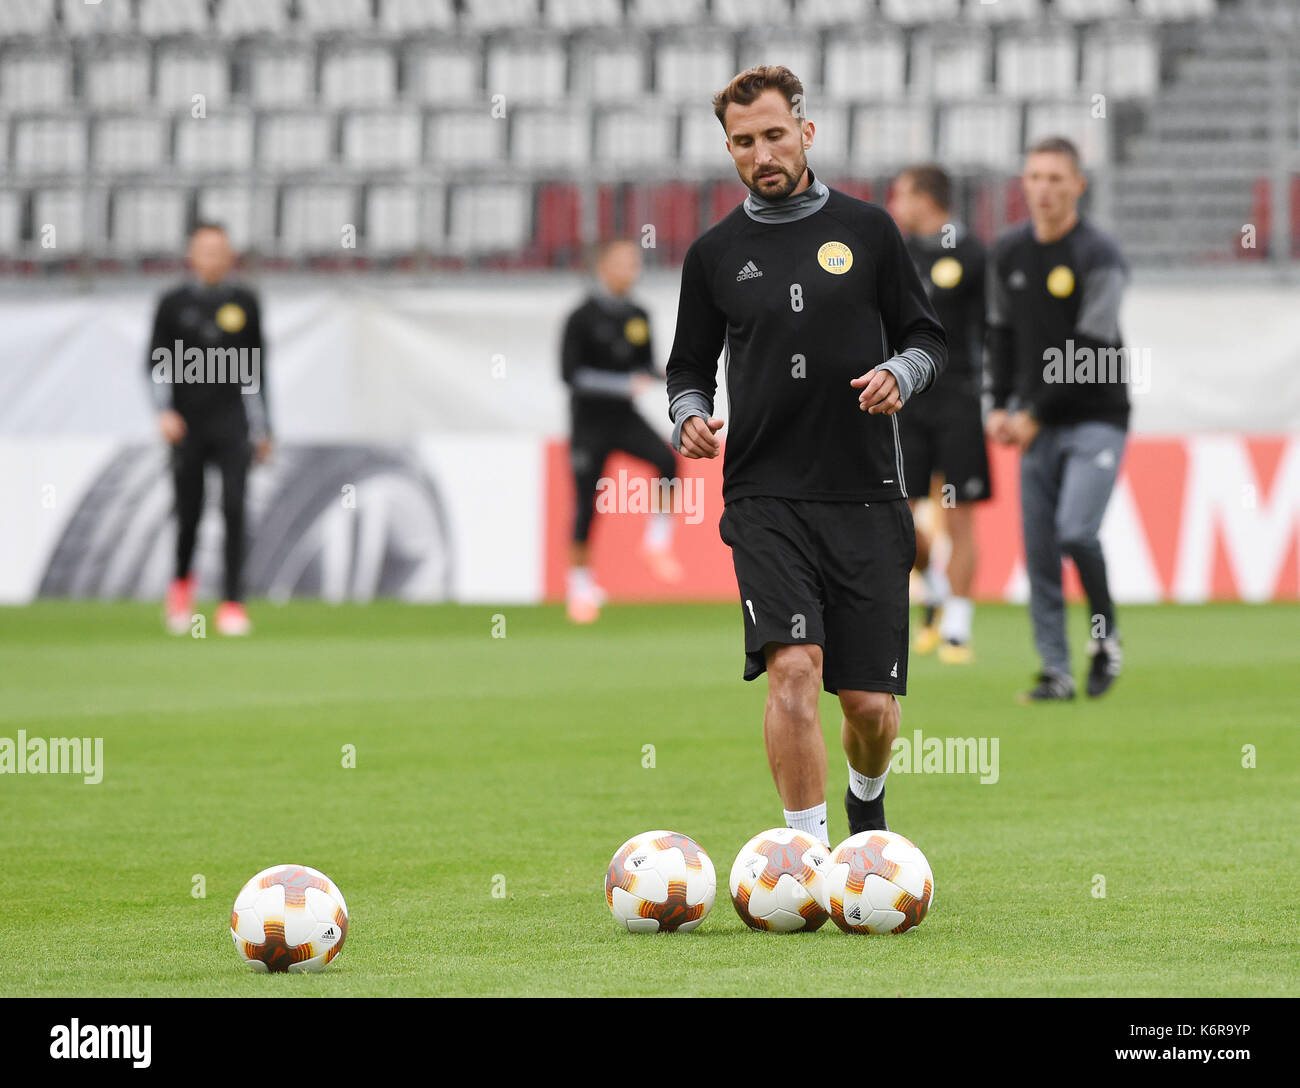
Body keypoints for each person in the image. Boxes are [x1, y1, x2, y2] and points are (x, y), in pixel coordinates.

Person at [666, 66, 946, 844]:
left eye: (775, 135)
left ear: (806, 133)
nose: (762, 153)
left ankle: (867, 798)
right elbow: (688, 365)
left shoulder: (869, 231)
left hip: (866, 492)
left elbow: (928, 337)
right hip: (764, 495)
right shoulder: (714, 254)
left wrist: (900, 372)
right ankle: (806, 854)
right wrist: (690, 413)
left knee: (870, 709)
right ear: (728, 148)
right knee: (792, 669)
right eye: (743, 141)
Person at [985, 137, 1129, 702]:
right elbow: (998, 333)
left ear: (1078, 185)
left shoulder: (1099, 255)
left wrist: (1033, 414)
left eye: (1055, 178)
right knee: (1041, 549)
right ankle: (1056, 671)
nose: (1043, 189)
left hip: (1097, 416)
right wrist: (998, 405)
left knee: (1075, 531)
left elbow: (1091, 349)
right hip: (1034, 421)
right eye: (1035, 177)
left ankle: (1105, 636)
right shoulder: (1009, 253)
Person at [887, 163, 990, 664]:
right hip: (906, 398)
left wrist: (1000, 393)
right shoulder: (896, 253)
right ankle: (934, 590)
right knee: (898, 518)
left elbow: (993, 328)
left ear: (925, 199)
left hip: (959, 398)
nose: (895, 205)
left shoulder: (970, 252)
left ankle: (958, 626)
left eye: (901, 194)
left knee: (959, 514)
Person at [148, 222, 270, 636]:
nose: (212, 257)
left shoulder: (245, 303)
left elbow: (258, 369)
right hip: (188, 426)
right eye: (204, 249)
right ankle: (181, 587)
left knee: (235, 507)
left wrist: (265, 425)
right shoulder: (172, 304)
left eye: (219, 249)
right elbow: (154, 365)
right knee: (189, 512)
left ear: (229, 254)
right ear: (192, 255)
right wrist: (164, 411)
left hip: (232, 423)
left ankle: (233, 602)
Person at [560, 239, 683, 624]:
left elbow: (644, 365)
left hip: (624, 418)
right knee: (586, 504)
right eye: (622, 261)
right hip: (589, 422)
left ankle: (656, 542)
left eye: (634, 261)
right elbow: (570, 375)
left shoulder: (638, 314)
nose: (630, 268)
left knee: (667, 460)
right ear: (602, 266)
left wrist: (673, 372)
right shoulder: (580, 317)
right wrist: (618, 384)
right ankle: (579, 586)